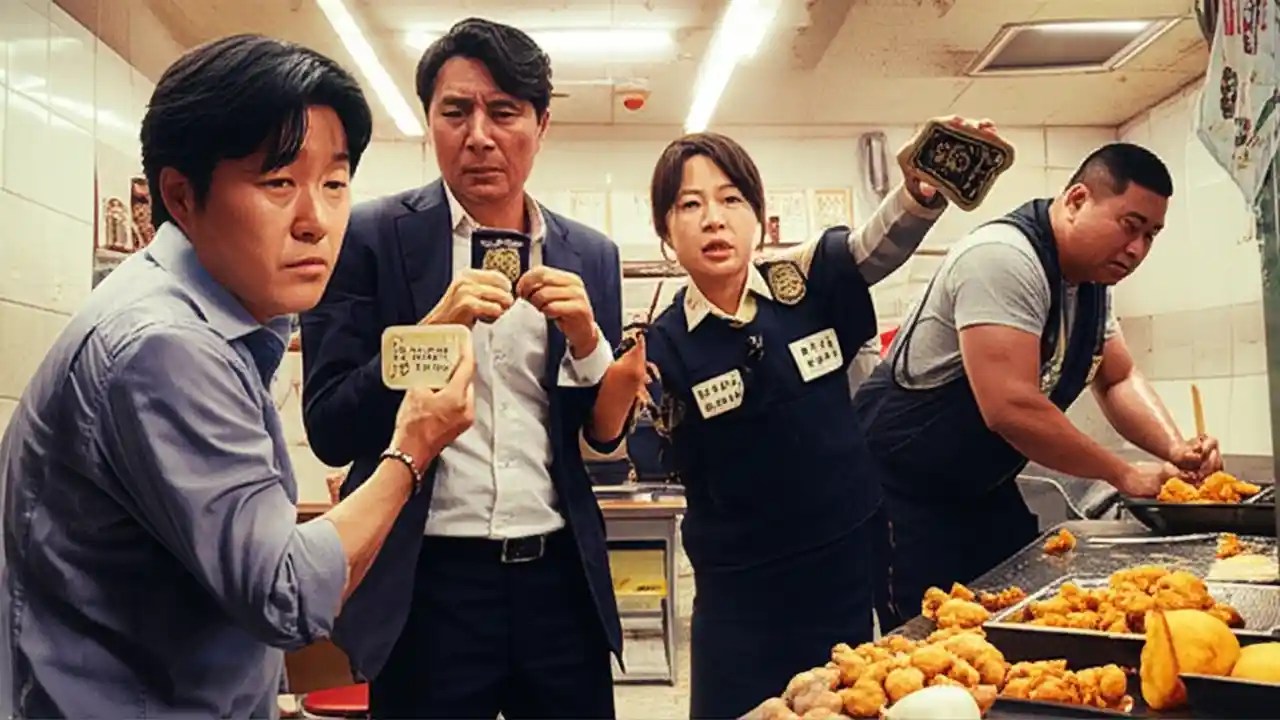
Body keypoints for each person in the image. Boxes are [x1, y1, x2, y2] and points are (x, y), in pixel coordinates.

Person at [0, 34, 476, 718]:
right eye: (278, 183)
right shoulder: (166, 346)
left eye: (334, 183)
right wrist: (413, 447)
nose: (317, 220)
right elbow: (286, 595)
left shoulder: (211, 316)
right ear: (180, 196)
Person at [588, 121, 1003, 719]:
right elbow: (613, 446)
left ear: (758, 216)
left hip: (842, 565)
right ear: (665, 232)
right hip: (739, 592)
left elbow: (873, 246)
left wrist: (920, 193)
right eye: (690, 204)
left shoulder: (805, 282)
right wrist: (616, 391)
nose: (714, 218)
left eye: (732, 199)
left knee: (849, 704)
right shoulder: (663, 343)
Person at [300, 18, 623, 719]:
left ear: (541, 125)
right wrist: (430, 335)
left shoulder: (590, 256)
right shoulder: (367, 238)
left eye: (504, 112)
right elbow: (328, 423)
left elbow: (603, 439)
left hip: (558, 581)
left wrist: (590, 338)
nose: (479, 134)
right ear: (430, 122)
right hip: (428, 582)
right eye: (456, 111)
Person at [852, 143, 1225, 630]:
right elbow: (1011, 407)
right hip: (905, 494)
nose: (1137, 249)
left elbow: (1117, 377)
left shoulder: (1090, 284)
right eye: (1129, 226)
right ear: (1075, 200)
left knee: (1022, 618)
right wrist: (1123, 474)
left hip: (982, 490)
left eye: (1150, 235)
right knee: (932, 642)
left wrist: (1177, 451)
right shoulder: (1003, 259)